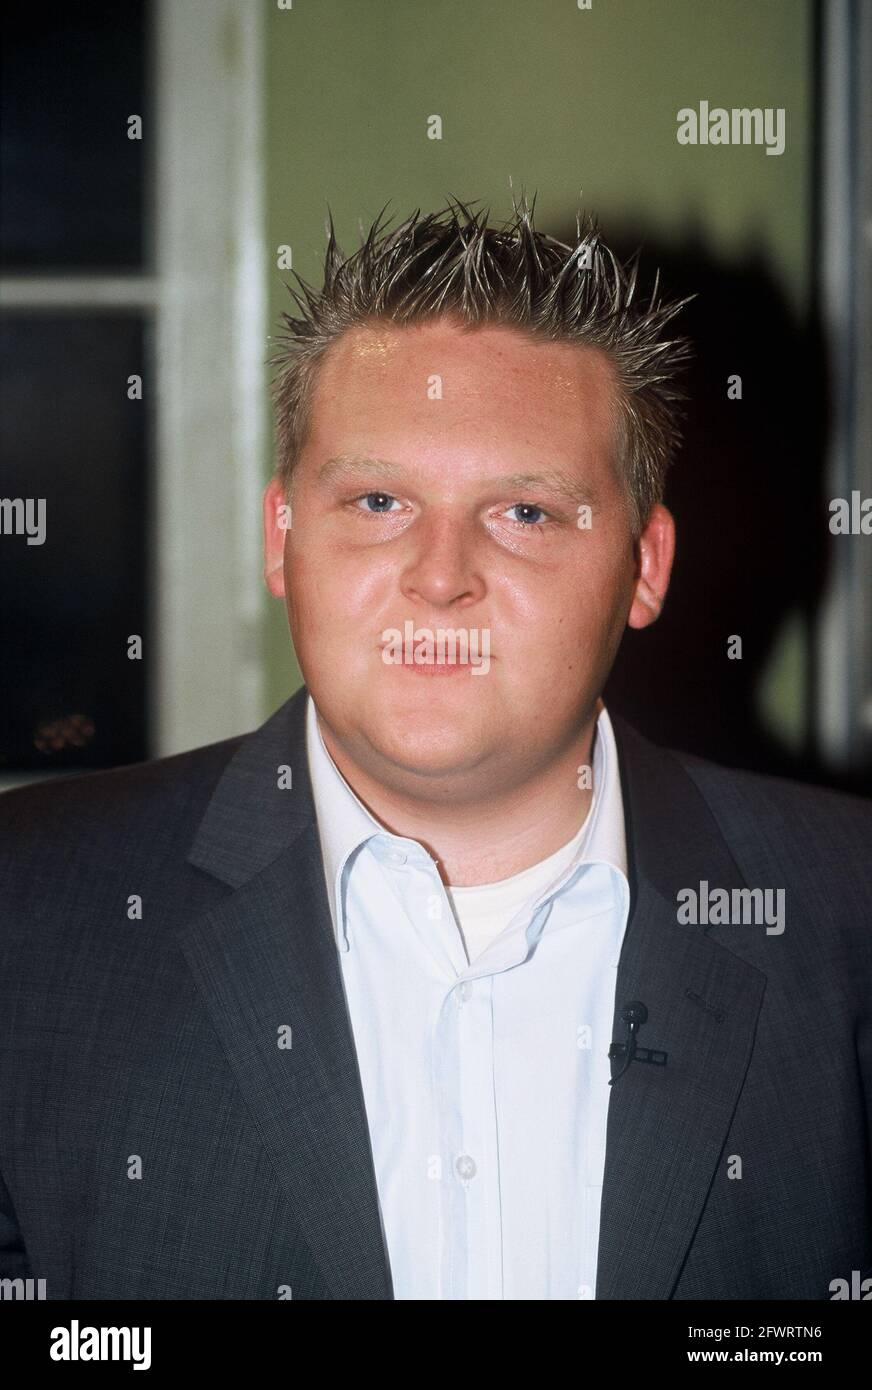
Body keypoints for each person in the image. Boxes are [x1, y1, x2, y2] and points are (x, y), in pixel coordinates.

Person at [1, 198, 870, 1301]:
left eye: (523, 513)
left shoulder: (846, 915)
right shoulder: (26, 918)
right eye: (376, 499)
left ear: (645, 568)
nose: (440, 574)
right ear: (281, 539)